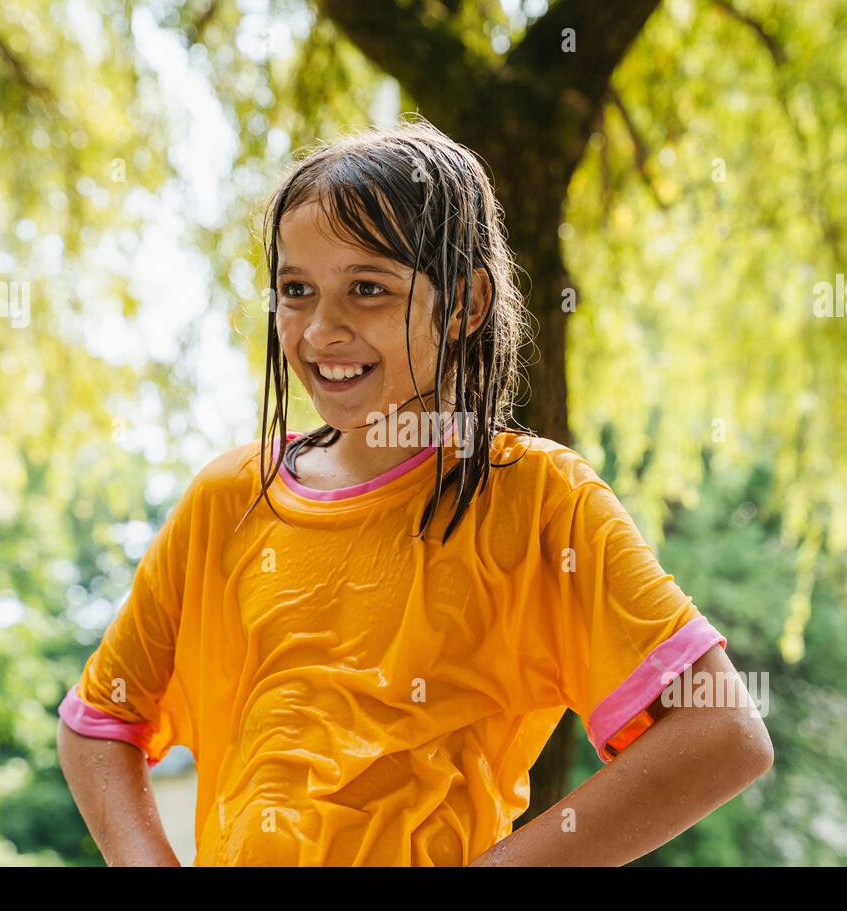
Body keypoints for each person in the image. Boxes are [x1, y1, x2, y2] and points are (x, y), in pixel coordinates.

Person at [56, 116, 773, 866]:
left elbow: (721, 733)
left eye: (367, 288)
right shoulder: (230, 497)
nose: (320, 330)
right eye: (296, 290)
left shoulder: (536, 498)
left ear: (464, 305)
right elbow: (99, 720)